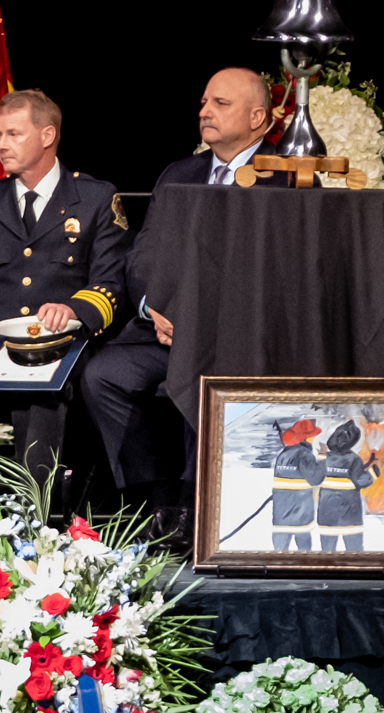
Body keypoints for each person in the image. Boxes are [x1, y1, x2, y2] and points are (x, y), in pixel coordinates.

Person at [82, 68, 283, 547]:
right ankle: (158, 499)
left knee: (201, 368)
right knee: (103, 374)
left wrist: (201, 322)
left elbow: (283, 272)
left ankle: (198, 503)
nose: (204, 112)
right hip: (165, 328)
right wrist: (155, 309)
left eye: (220, 103)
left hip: (242, 337)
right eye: (203, 103)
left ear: (258, 118)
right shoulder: (180, 174)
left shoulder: (287, 178)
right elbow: (144, 254)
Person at [0, 89, 132, 490]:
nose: (2, 145)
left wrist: (74, 310)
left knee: (39, 384)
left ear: (46, 136)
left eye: (14, 134)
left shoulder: (95, 198)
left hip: (63, 343)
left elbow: (112, 283)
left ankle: (32, 512)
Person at [316, 419, 382, 552]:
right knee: (354, 554)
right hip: (350, 518)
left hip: (327, 517)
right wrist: (375, 471)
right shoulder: (353, 459)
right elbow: (361, 481)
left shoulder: (325, 458)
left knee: (327, 556)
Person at [270, 417, 325, 551]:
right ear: (305, 438)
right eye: (312, 436)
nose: (314, 439)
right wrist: (323, 457)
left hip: (281, 517)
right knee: (304, 556)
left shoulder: (283, 454)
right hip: (301, 515)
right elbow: (316, 479)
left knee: (278, 557)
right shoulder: (305, 454)